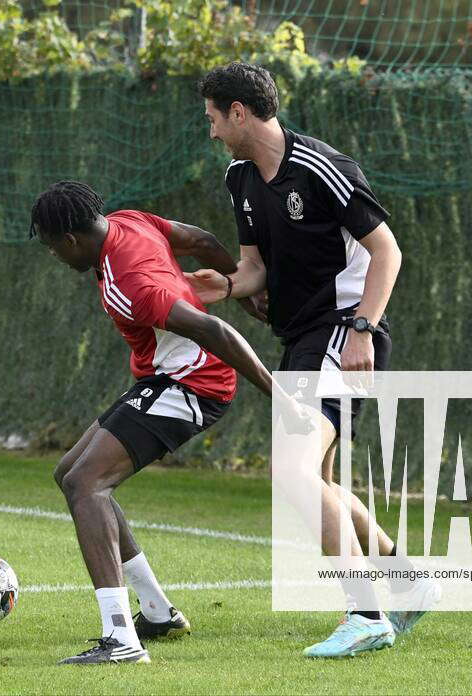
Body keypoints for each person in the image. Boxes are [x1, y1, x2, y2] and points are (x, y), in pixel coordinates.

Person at [191, 62, 440, 658]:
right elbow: (255, 266)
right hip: (303, 339)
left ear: (239, 113)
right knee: (317, 479)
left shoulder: (322, 167)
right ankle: (407, 582)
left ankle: (365, 614)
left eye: (213, 119)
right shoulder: (239, 178)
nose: (212, 131)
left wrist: (362, 329)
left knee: (292, 470)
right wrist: (226, 286)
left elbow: (387, 251)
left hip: (341, 332)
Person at [30, 180, 315, 665]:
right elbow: (202, 240)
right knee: (70, 474)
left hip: (193, 384)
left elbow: (212, 329)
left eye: (52, 246)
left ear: (71, 239)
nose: (55, 255)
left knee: (86, 484)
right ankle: (158, 613)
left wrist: (282, 399)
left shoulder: (130, 285)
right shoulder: (129, 220)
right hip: (165, 378)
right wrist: (242, 289)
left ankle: (120, 639)